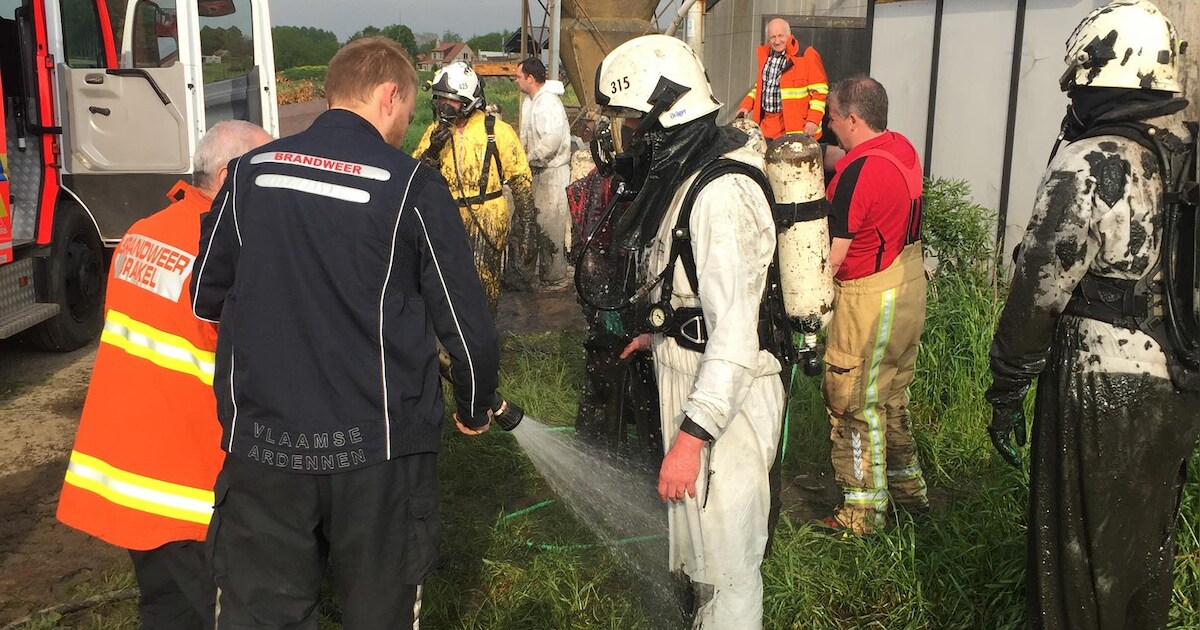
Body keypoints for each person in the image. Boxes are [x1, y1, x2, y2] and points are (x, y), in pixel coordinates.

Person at [190, 37, 503, 628]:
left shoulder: (251, 173)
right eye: (409, 111)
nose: (409, 127)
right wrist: (475, 400)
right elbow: (466, 326)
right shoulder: (413, 186)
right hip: (376, 456)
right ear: (389, 96)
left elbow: (206, 293)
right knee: (378, 614)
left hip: (263, 449)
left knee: (260, 615)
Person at [985, 2, 1199, 626]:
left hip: (1102, 388)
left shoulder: (1094, 161)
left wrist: (1007, 388)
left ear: (1100, 79)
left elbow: (1038, 288)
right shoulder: (1185, 150)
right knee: (1144, 555)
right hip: (1180, 382)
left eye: (1078, 81)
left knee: (1076, 566)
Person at [597, 34, 788, 629]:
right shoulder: (689, 175)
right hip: (696, 378)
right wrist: (662, 337)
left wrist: (690, 441)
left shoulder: (721, 193)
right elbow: (695, 297)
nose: (625, 138)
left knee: (729, 568)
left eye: (631, 122)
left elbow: (733, 338)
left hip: (726, 402)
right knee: (702, 559)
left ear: (667, 115)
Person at [56, 120, 272, 630]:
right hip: (188, 489)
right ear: (229, 176)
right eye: (265, 173)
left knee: (166, 608)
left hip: (129, 478)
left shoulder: (140, 234)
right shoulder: (226, 252)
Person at [820, 76, 927, 536]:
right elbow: (856, 162)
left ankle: (861, 515)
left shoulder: (854, 178)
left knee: (852, 402)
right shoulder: (900, 149)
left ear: (852, 119)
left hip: (867, 299)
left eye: (831, 118)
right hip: (907, 285)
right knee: (890, 398)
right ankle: (908, 493)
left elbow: (832, 258)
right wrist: (823, 154)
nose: (827, 125)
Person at [415, 61, 535, 315]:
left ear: (469, 101)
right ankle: (450, 343)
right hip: (446, 218)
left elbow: (521, 180)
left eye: (451, 101)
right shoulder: (432, 133)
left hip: (487, 216)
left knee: (483, 285)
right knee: (444, 284)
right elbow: (416, 176)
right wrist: (433, 150)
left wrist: (526, 227)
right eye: (440, 100)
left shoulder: (497, 131)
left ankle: (482, 339)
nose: (443, 106)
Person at [516, 57, 572, 290]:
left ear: (530, 78)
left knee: (550, 226)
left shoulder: (547, 103)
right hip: (537, 170)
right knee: (530, 224)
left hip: (551, 172)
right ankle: (527, 276)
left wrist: (528, 157)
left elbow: (551, 140)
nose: (515, 80)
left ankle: (554, 278)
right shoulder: (531, 101)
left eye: (518, 76)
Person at [735, 17, 828, 141]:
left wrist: (813, 121)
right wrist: (745, 106)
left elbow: (820, 92)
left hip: (797, 129)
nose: (777, 41)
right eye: (773, 37)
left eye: (780, 36)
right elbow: (761, 88)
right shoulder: (765, 56)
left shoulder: (807, 55)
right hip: (766, 127)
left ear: (789, 35)